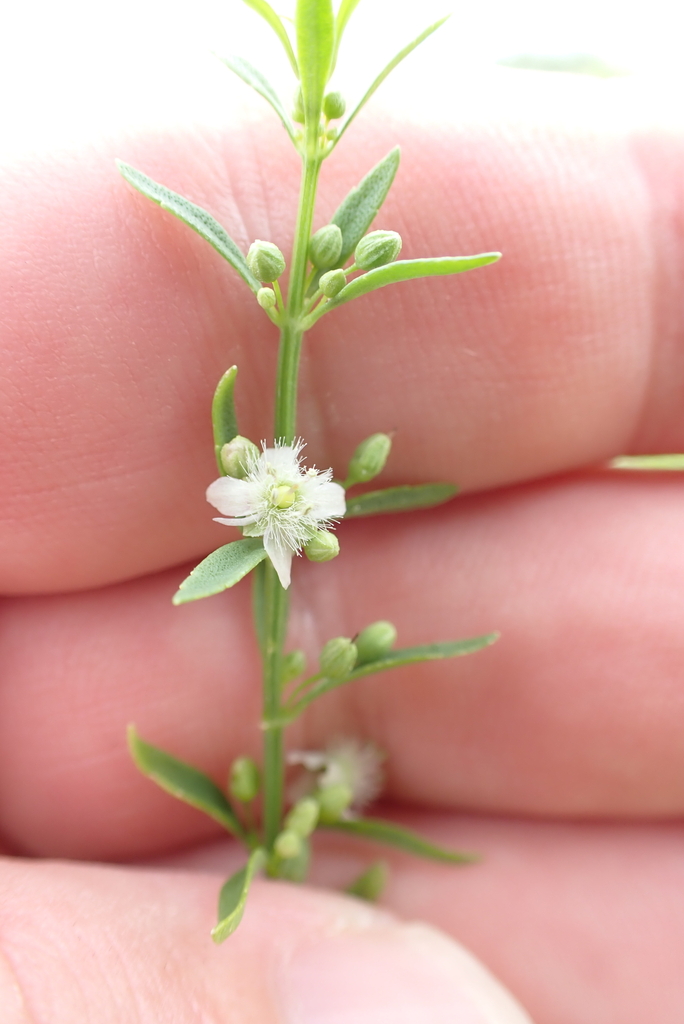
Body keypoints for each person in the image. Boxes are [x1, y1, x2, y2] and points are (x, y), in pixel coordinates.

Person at [1, 58, 683, 1023]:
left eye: (289, 490)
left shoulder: (297, 509)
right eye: (275, 488)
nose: (283, 489)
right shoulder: (267, 510)